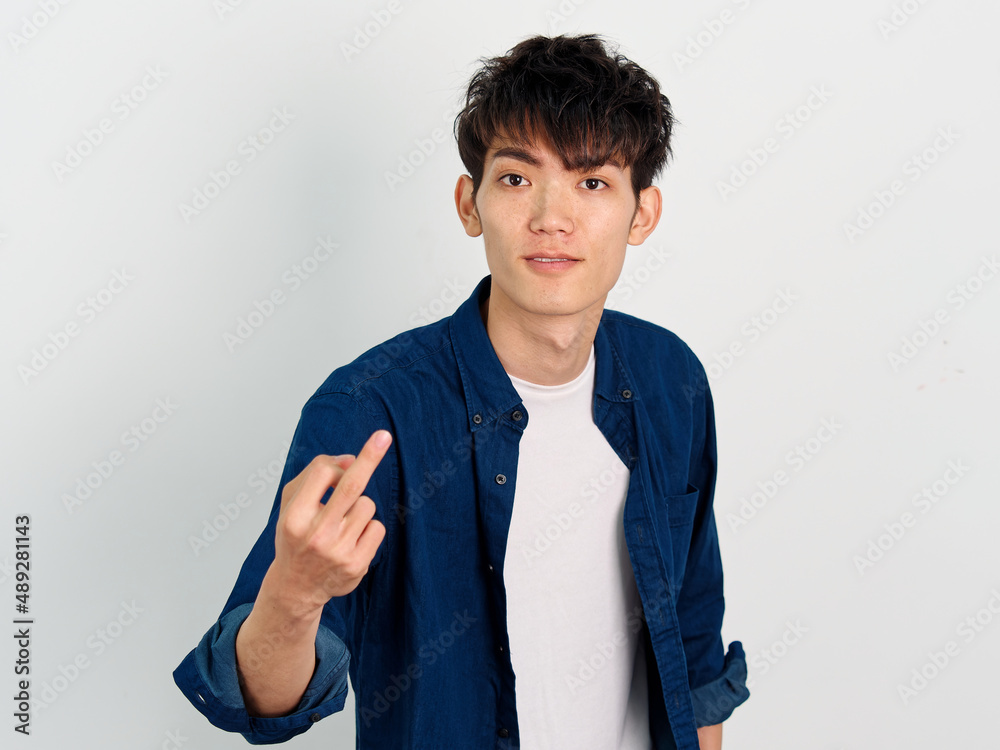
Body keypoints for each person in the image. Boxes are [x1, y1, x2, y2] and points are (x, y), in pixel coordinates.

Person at [173, 33, 749, 750]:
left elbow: (692, 637)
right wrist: (295, 590)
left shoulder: (671, 378)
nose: (550, 217)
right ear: (468, 203)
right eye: (515, 178)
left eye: (592, 181)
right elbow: (260, 702)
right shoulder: (370, 410)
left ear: (642, 215)